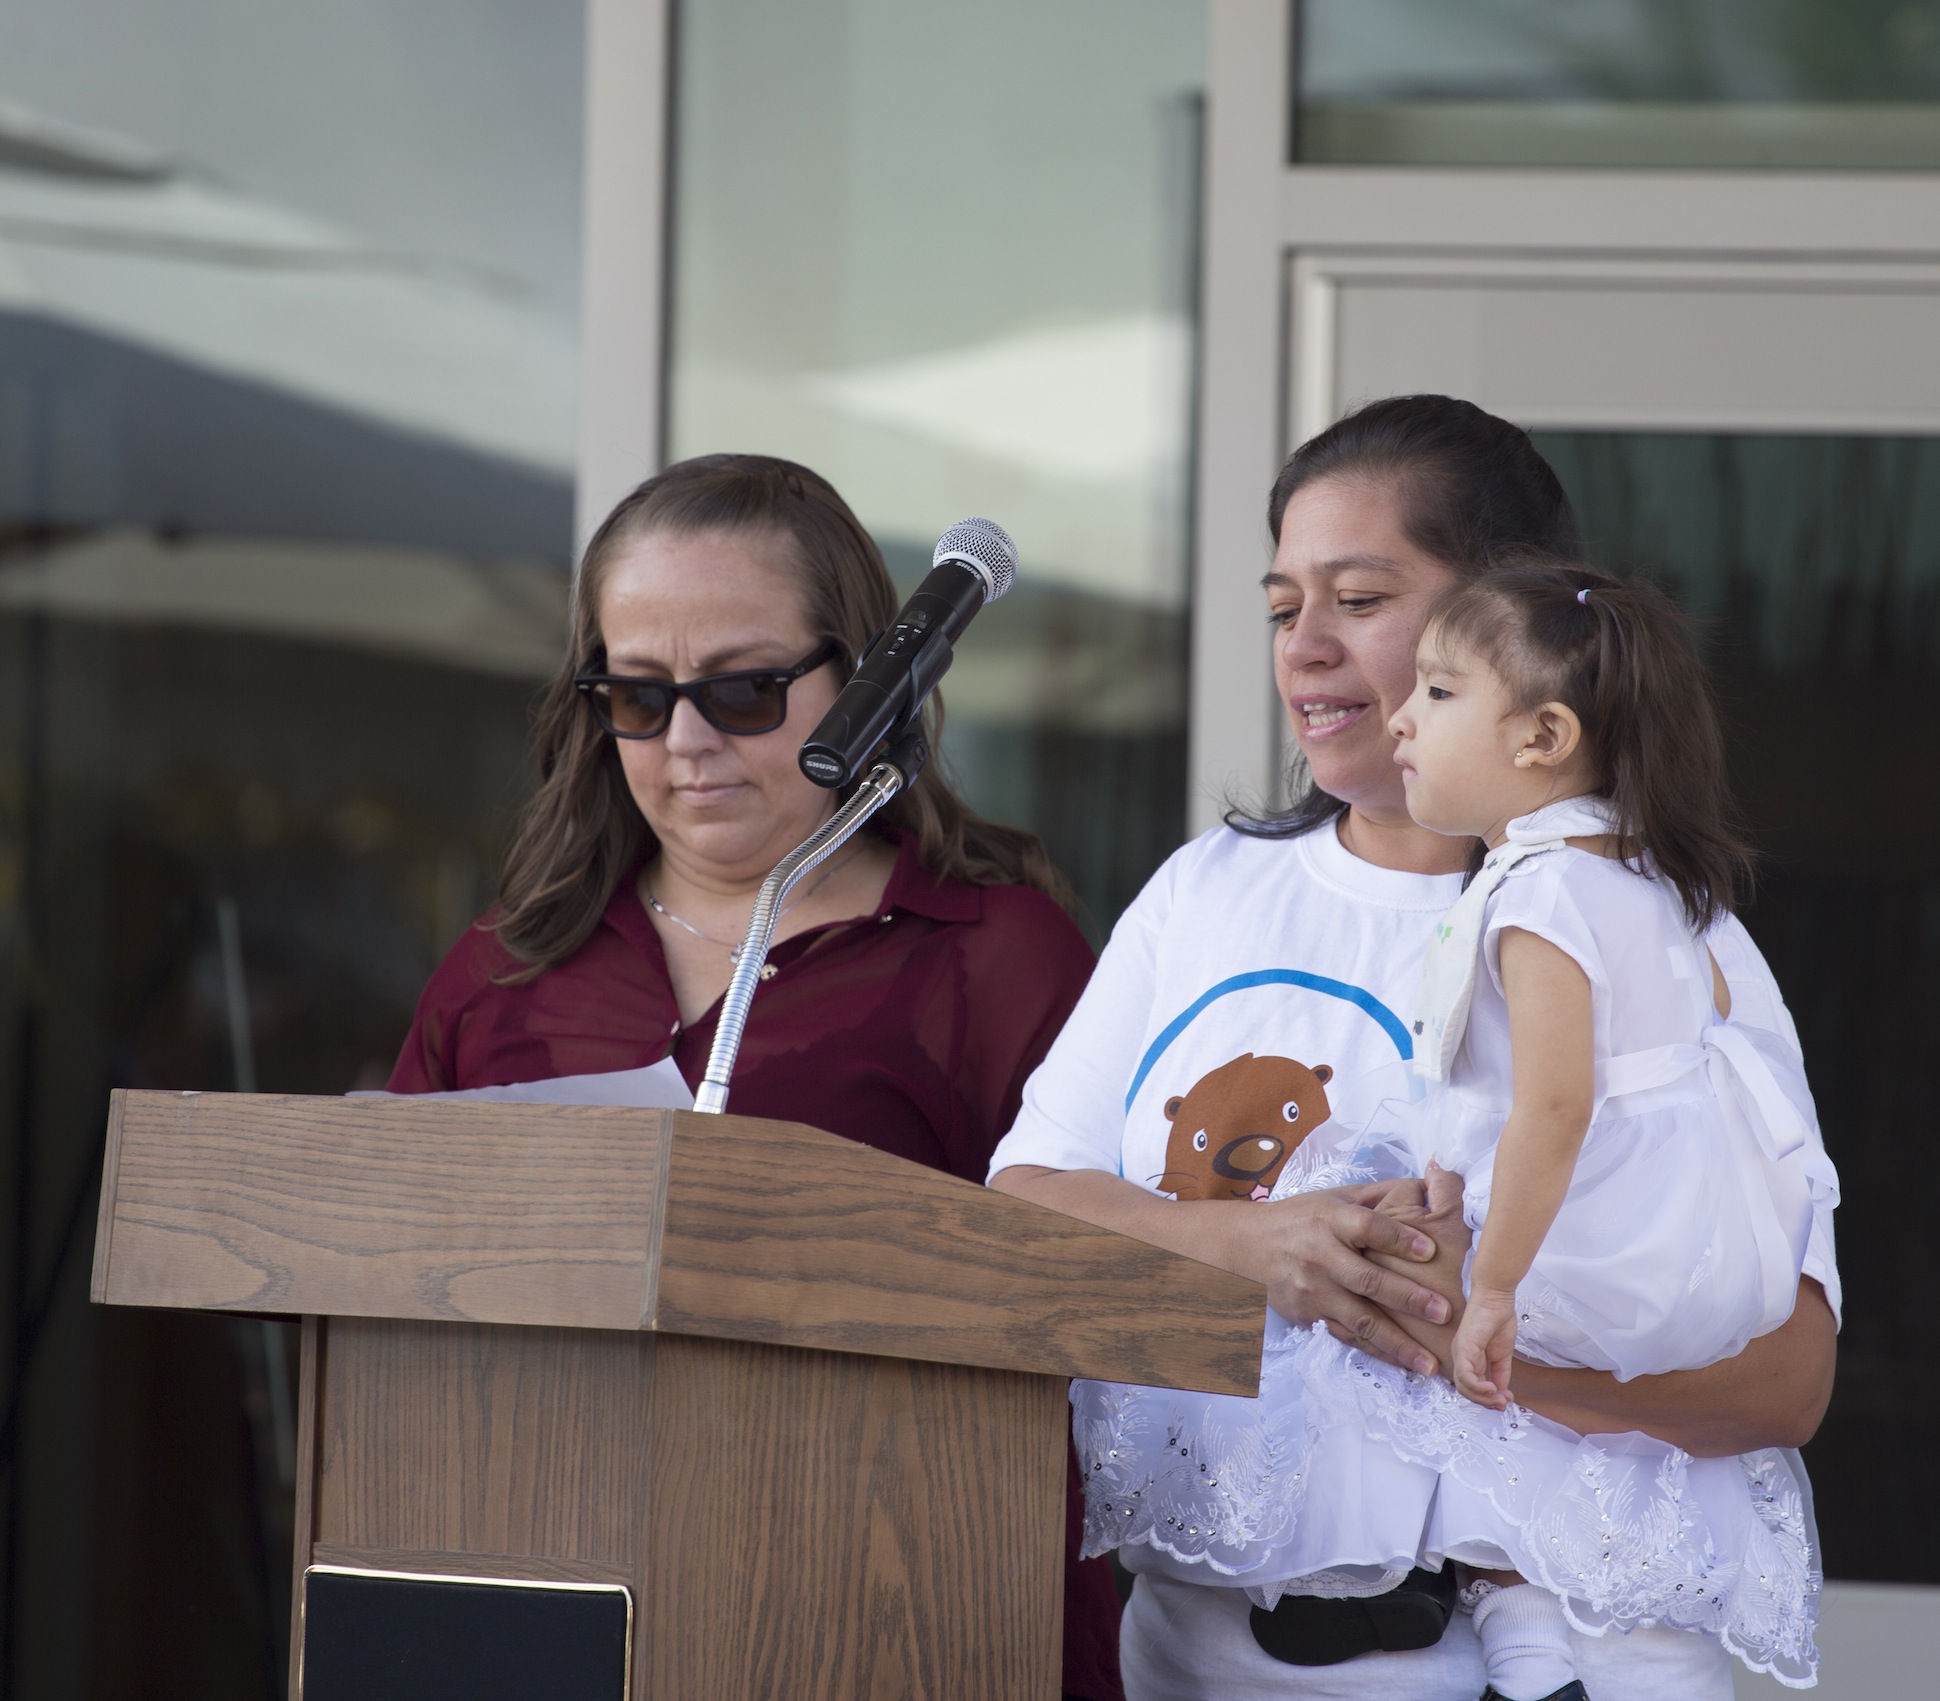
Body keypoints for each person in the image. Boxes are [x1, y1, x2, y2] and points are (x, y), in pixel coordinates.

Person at [988, 397, 1841, 1701]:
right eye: (1284, 607)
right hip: (1220, 1664)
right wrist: (1262, 1248)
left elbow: (1787, 1376)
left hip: (1589, 1666)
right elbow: (1025, 1209)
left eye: (1361, 599)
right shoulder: (1205, 895)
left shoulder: (1669, 934)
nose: (1306, 649)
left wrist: (1476, 1335)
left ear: (1511, 628)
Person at [388, 453, 1124, 1701]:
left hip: (899, 1614)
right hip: (545, 1598)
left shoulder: (996, 955)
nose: (683, 743)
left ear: (863, 682)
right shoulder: (509, 966)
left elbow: (1104, 1306)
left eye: (741, 692)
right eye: (635, 695)